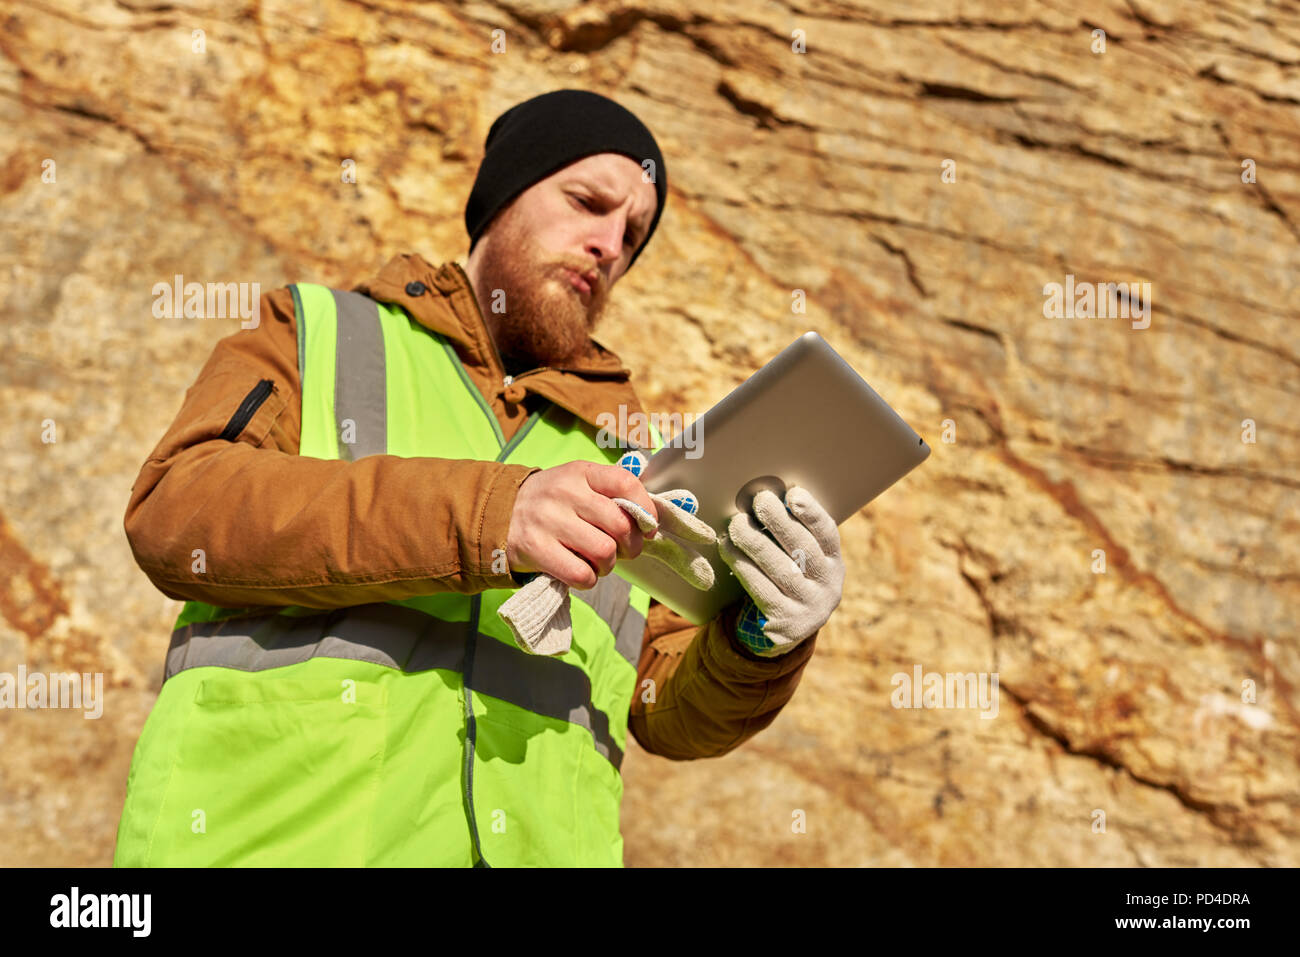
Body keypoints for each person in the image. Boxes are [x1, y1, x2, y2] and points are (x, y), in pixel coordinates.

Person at [113, 89, 844, 867]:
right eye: (587, 201)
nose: (609, 245)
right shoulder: (314, 332)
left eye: (631, 235)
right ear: (501, 198)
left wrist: (761, 642)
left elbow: (664, 707)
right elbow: (178, 510)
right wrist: (499, 514)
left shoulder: (637, 455)